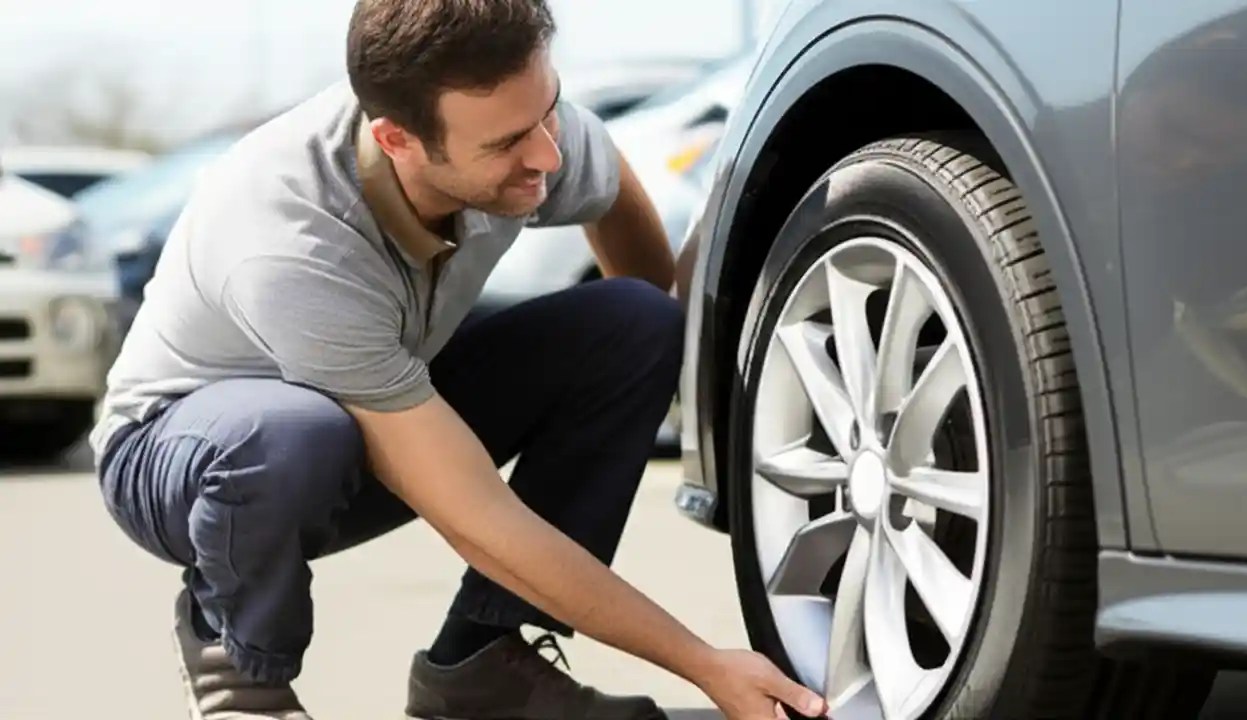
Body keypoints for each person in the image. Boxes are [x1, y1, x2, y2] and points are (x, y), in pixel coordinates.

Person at [90, 1, 831, 719]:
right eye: (508, 143)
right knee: (292, 433)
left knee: (634, 324)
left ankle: (483, 668)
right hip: (185, 457)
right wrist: (704, 663)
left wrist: (649, 385)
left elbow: (615, 203)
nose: (546, 152)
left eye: (549, 112)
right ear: (398, 142)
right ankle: (237, 668)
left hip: (363, 399)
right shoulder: (291, 242)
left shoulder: (521, 120)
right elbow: (476, 516)